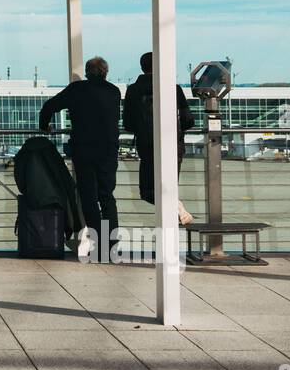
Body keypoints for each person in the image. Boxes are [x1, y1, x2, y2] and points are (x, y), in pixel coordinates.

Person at [38, 56, 120, 259]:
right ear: (106, 72)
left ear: (87, 71)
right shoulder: (114, 91)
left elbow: (50, 105)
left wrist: (44, 125)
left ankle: (98, 242)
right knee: (107, 195)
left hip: (84, 149)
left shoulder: (77, 90)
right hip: (108, 149)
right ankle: (111, 243)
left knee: (88, 197)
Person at [122, 52, 195, 225]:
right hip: (173, 146)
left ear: (142, 67)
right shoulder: (173, 88)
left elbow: (128, 124)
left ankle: (176, 210)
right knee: (169, 188)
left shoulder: (133, 90)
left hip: (147, 146)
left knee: (147, 191)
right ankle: (176, 211)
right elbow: (188, 120)